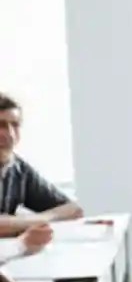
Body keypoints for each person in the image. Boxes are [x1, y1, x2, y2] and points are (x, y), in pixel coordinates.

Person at [0, 92, 84, 237]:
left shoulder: (19, 169)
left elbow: (73, 209)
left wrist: (25, 222)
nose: (10, 134)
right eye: (1, 125)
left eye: (15, 125)